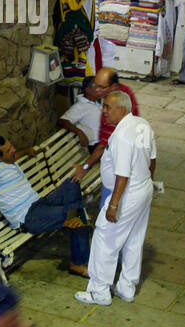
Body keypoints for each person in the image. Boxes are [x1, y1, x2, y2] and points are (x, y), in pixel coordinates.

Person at [0, 135, 90, 275]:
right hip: (28, 217)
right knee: (74, 211)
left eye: (11, 146)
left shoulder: (9, 159)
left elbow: (15, 155)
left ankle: (72, 223)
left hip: (40, 203)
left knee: (72, 183)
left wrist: (26, 151)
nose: (13, 150)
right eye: (8, 150)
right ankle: (77, 262)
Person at [75, 92, 157, 306]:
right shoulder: (142, 125)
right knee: (133, 239)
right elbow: (152, 160)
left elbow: (123, 175)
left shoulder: (121, 135)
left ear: (122, 109)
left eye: (108, 107)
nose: (104, 111)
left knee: (105, 237)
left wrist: (113, 205)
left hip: (127, 193)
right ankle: (126, 287)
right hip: (143, 188)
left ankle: (99, 291)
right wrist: (145, 185)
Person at [70, 67, 139, 187]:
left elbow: (103, 146)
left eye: (101, 87)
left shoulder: (116, 107)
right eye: (95, 85)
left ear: (114, 87)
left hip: (118, 169)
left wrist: (85, 167)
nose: (96, 90)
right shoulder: (120, 93)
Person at [57, 83, 102, 151]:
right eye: (96, 87)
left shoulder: (96, 104)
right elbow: (62, 121)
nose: (100, 89)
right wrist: (79, 132)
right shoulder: (81, 105)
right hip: (95, 146)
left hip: (104, 141)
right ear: (87, 90)